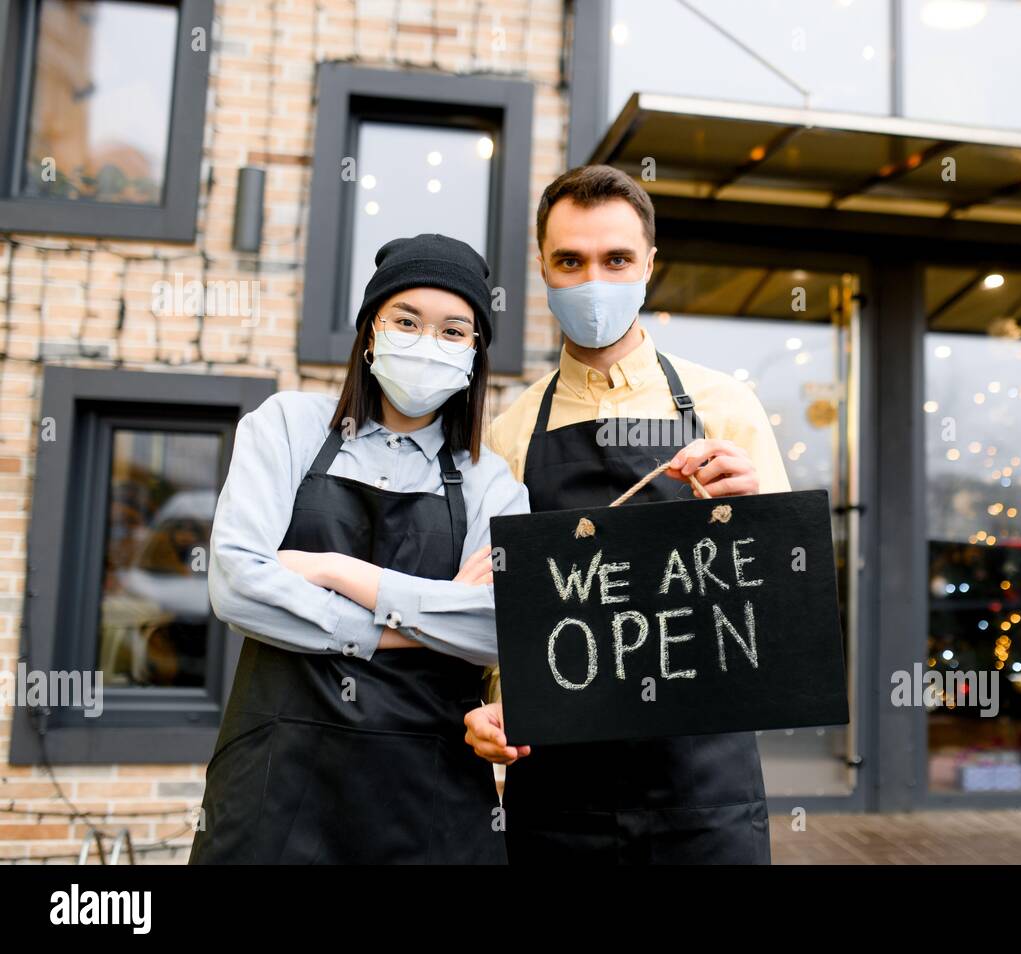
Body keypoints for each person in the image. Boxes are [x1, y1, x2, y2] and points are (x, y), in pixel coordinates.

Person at [464, 165, 790, 864]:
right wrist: (494, 708)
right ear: (545, 271)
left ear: (649, 265)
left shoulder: (724, 407)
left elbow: (786, 602)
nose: (593, 282)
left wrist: (753, 515)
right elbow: (498, 608)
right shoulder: (511, 433)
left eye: (616, 260)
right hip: (557, 789)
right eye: (570, 262)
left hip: (705, 786)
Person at [189, 234, 527, 864]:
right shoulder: (286, 426)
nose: (429, 343)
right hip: (276, 785)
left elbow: (503, 630)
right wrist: (430, 613)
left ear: (474, 355)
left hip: (429, 797)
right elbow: (235, 582)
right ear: (370, 332)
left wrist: (333, 570)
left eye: (455, 331)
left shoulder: (492, 484)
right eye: (407, 321)